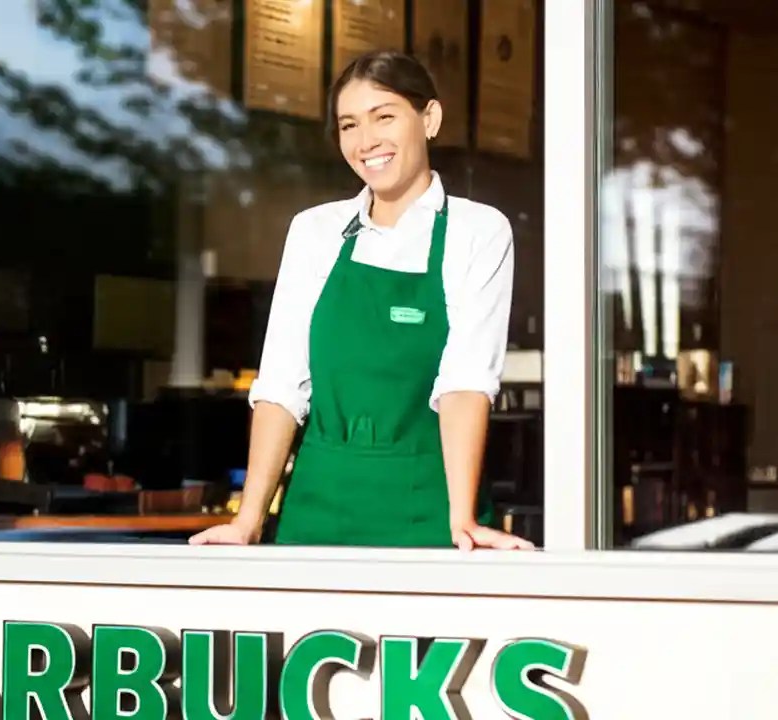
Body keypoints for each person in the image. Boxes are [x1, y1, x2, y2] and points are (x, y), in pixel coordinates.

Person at [190, 50, 533, 551]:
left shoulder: (477, 231)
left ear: (430, 119)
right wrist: (248, 521)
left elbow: (465, 382)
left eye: (385, 117)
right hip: (315, 512)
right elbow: (282, 386)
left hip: (427, 511)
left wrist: (463, 520)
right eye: (349, 125)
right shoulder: (315, 232)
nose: (366, 141)